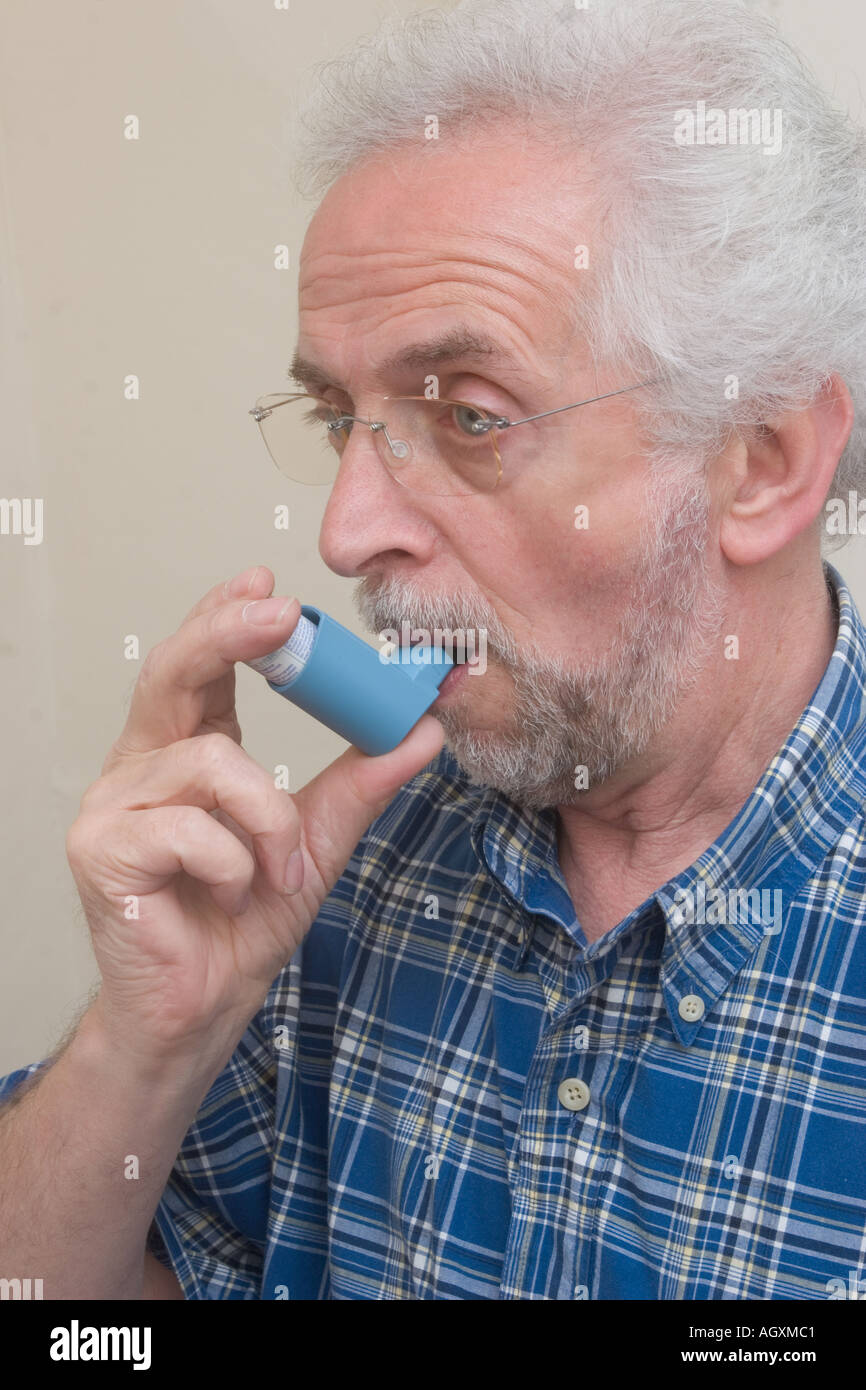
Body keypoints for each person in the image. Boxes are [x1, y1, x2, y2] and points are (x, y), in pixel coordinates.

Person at [2, 0, 866, 1300]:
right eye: (336, 417)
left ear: (763, 461)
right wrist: (145, 1043)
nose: (346, 532)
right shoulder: (321, 883)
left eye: (468, 414)